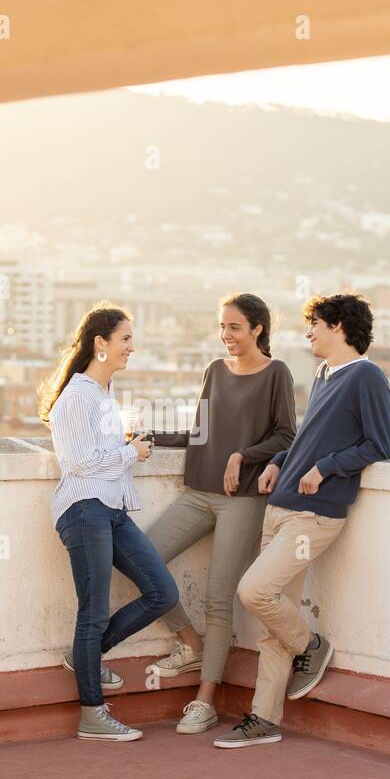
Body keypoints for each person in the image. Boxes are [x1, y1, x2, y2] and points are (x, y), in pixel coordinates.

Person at [214, 292, 390, 749]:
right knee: (271, 618)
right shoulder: (323, 374)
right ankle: (264, 719)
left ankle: (310, 647)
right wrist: (280, 459)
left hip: (315, 514)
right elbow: (311, 435)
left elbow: (380, 444)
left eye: (314, 323)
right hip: (281, 503)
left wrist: (325, 467)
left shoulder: (367, 377)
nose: (308, 332)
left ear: (338, 327)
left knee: (253, 591)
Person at [143, 293, 296, 734]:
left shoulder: (277, 373)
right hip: (198, 492)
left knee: (217, 598)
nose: (225, 335)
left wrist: (243, 456)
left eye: (234, 327)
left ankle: (204, 700)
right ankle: (189, 645)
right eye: (221, 327)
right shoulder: (214, 370)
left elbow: (287, 434)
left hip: (243, 500)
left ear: (257, 330)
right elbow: (201, 431)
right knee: (143, 558)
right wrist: (149, 435)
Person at [39, 303, 179, 742]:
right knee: (94, 611)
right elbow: (78, 464)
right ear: (100, 344)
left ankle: (85, 656)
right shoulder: (77, 397)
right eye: (125, 339)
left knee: (162, 592)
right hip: (83, 510)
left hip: (111, 511)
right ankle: (92, 714)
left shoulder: (103, 397)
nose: (131, 348)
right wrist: (129, 452)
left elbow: (102, 461)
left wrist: (128, 448)